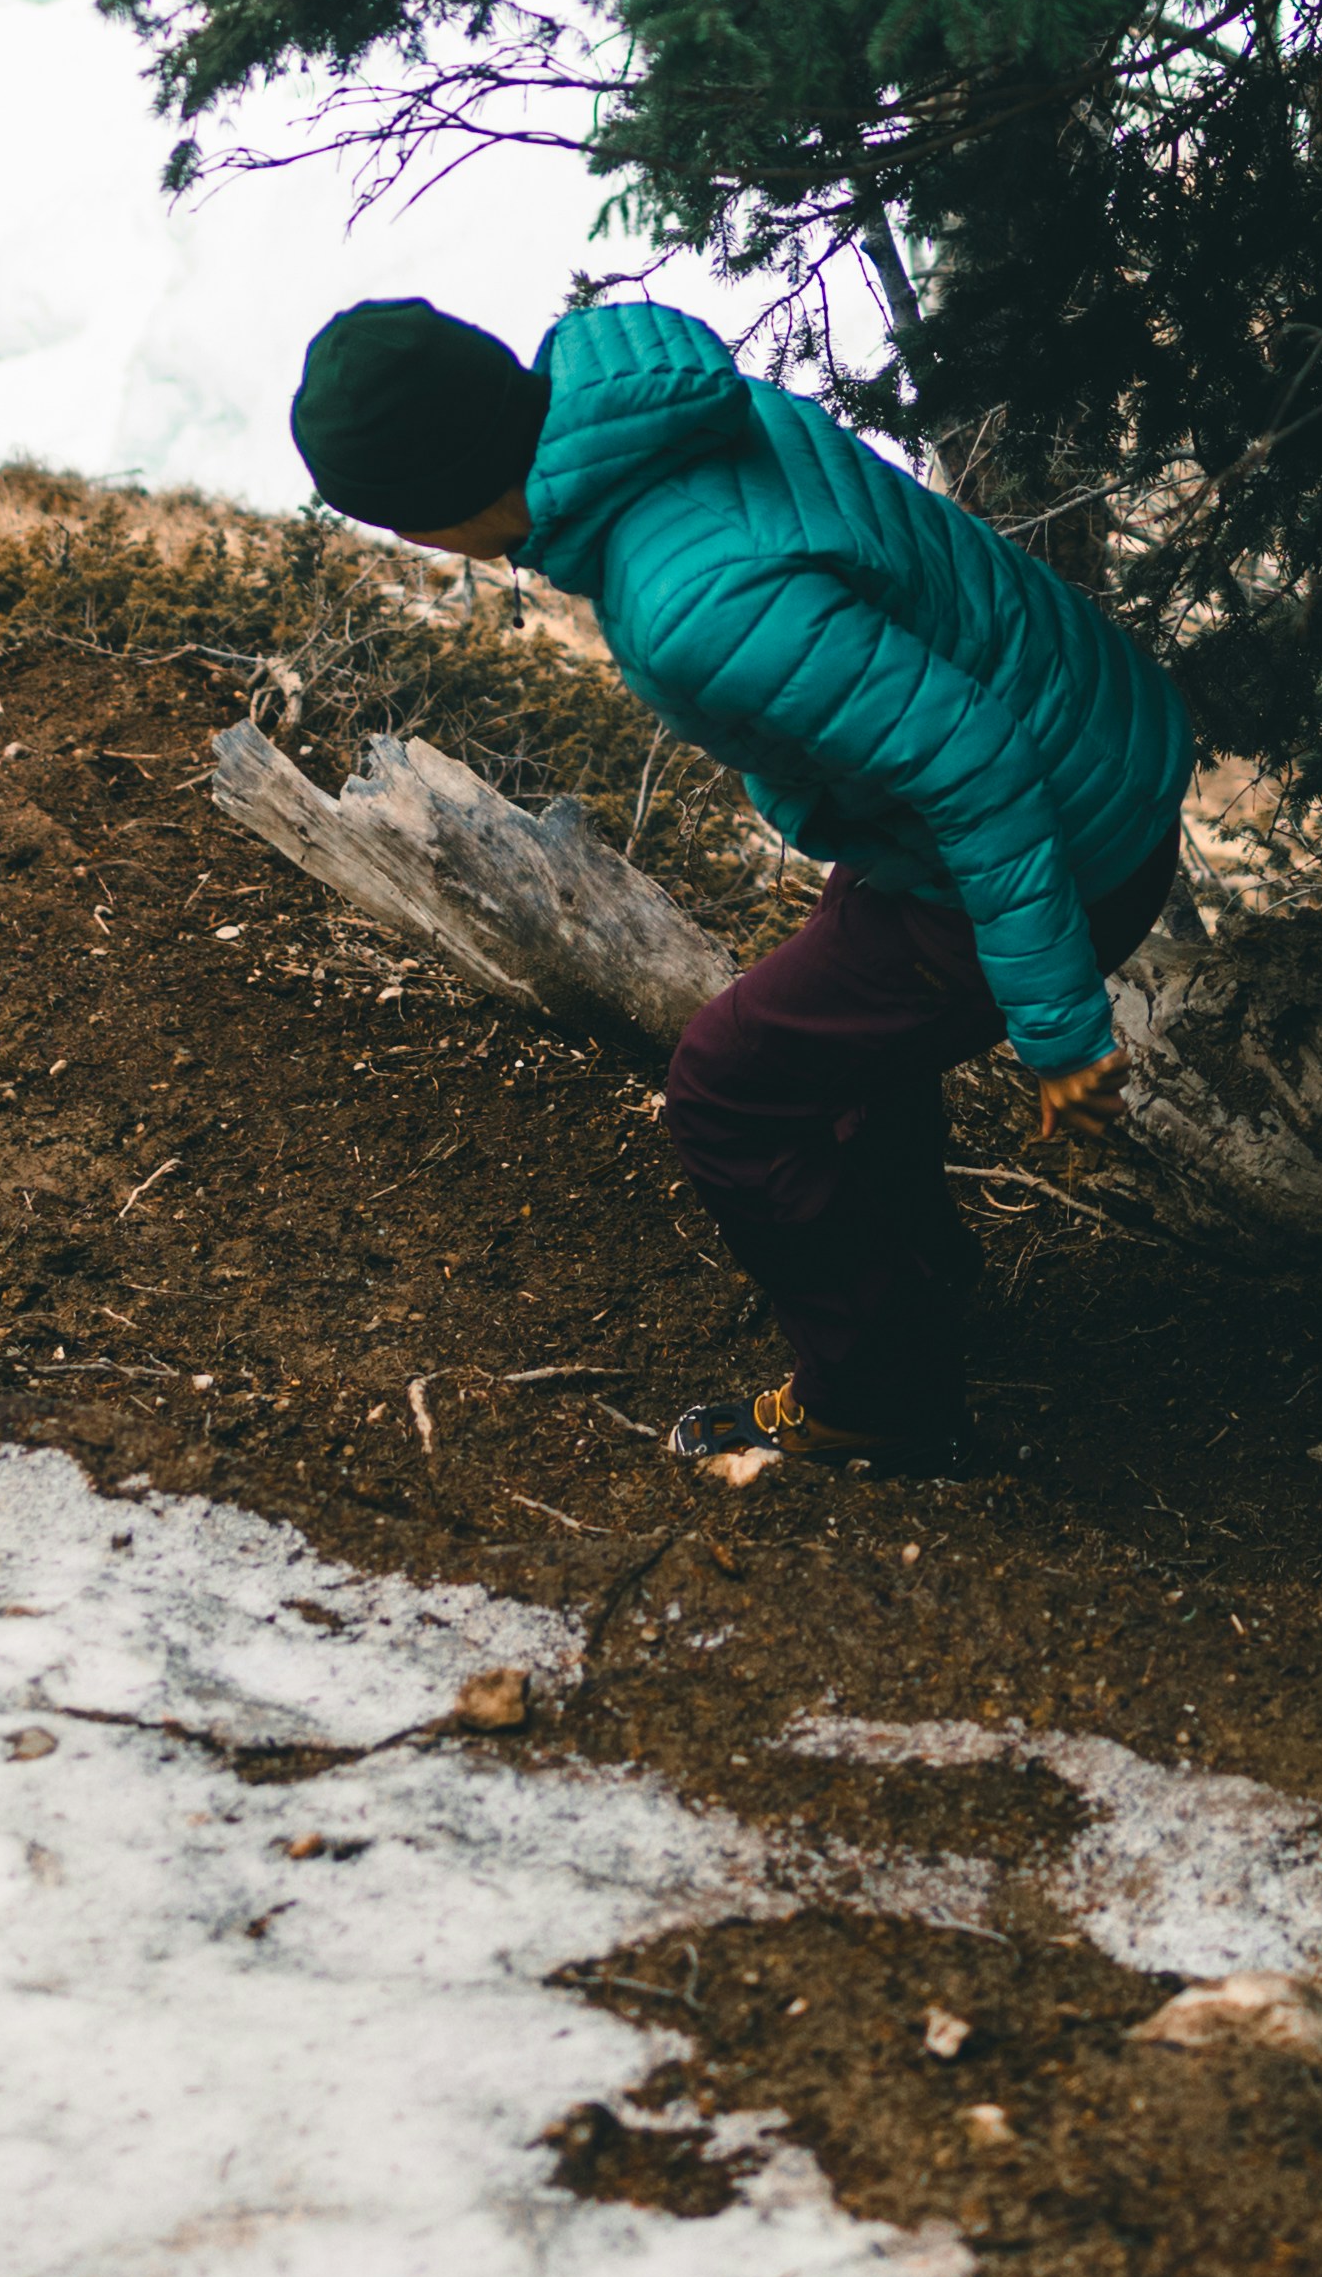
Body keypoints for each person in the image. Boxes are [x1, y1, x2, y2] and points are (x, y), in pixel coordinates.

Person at [289, 293, 1190, 1478]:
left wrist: (1066, 1037)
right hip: (1097, 735)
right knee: (828, 1033)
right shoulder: (649, 406)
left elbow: (974, 768)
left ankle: (878, 1403)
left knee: (726, 1090)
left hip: (1067, 842)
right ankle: (915, 1289)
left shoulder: (687, 603)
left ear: (419, 527)